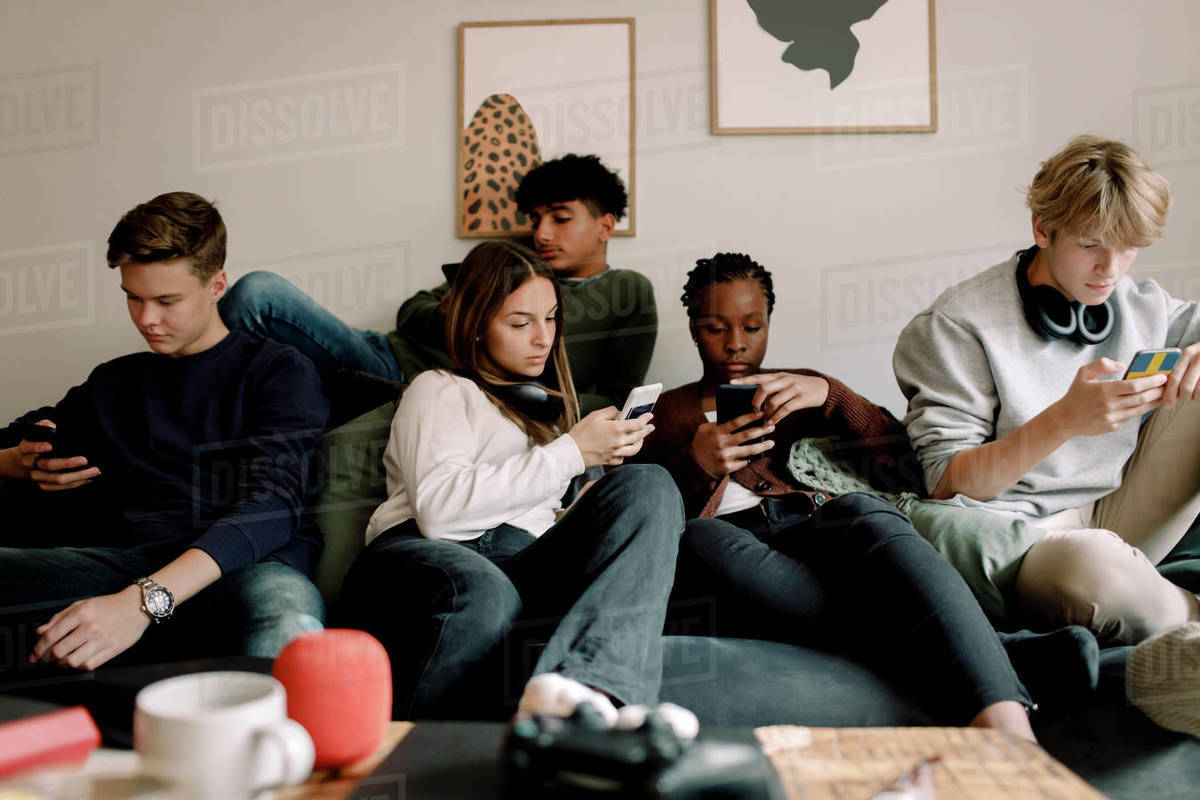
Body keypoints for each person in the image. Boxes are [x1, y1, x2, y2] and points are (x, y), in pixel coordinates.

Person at [639, 252, 1044, 741]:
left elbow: (909, 468)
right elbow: (646, 526)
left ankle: (1010, 732)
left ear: (769, 322)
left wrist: (831, 395)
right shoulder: (662, 412)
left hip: (821, 525)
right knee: (702, 540)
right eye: (715, 328)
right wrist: (698, 465)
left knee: (862, 509)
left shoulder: (799, 387)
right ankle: (1006, 655)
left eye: (752, 326)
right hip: (733, 543)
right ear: (692, 327)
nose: (736, 344)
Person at [335, 240, 684, 723]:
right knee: (487, 591)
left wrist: (583, 500)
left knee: (650, 485)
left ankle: (588, 701)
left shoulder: (552, 418)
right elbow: (439, 512)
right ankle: (420, 760)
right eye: (521, 323)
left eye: (551, 318)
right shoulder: (439, 389)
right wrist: (570, 453)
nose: (544, 337)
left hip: (517, 559)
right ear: (477, 327)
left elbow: (533, 515)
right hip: (421, 554)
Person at [0, 192, 328, 678]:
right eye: (133, 297)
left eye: (166, 301)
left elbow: (271, 507)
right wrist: (20, 462)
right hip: (119, 565)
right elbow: (18, 437)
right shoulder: (115, 382)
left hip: (242, 569)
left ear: (217, 285)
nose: (146, 319)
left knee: (286, 606)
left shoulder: (278, 371)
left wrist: (140, 604)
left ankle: (263, 750)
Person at [894, 135, 1200, 646]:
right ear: (1042, 229)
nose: (1112, 269)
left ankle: (1143, 587)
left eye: (1128, 248)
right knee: (1095, 572)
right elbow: (948, 483)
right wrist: (1064, 420)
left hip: (1114, 508)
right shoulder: (955, 325)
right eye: (1090, 245)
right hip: (1022, 535)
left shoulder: (1137, 300)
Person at [220, 153, 658, 415]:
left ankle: (359, 394)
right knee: (259, 294)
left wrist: (520, 395)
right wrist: (462, 312)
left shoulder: (626, 290)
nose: (542, 233)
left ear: (605, 225)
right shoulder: (511, 262)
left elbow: (618, 399)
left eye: (560, 219)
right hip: (387, 357)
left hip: (450, 391)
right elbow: (411, 312)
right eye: (536, 219)